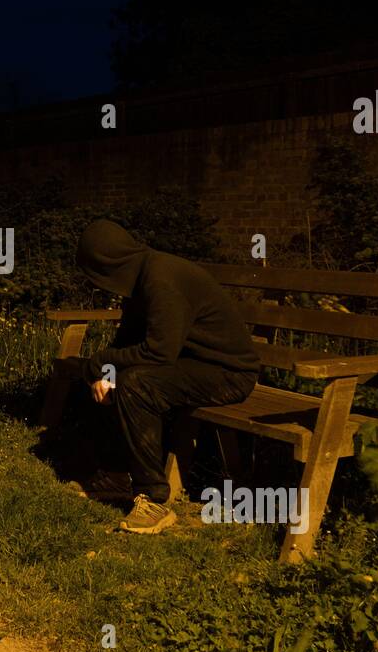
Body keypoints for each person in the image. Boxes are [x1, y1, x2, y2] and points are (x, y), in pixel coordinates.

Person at [68, 219, 260, 534]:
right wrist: (104, 369)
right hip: (190, 365)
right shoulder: (140, 278)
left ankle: (153, 498)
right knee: (115, 376)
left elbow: (158, 353)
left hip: (229, 373)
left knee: (134, 384)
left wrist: (105, 362)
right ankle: (118, 474)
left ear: (107, 264)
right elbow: (129, 343)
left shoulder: (161, 279)